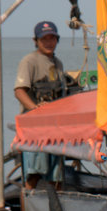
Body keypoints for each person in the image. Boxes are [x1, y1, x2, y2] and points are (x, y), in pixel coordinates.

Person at [14, 20, 66, 189]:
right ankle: (26, 210)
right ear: (36, 41)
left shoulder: (58, 64)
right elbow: (19, 91)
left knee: (56, 175)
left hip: (54, 128)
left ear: (57, 40)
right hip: (34, 129)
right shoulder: (29, 61)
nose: (49, 42)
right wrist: (34, 109)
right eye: (44, 39)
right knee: (34, 173)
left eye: (52, 38)